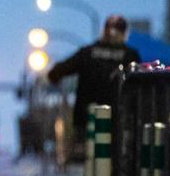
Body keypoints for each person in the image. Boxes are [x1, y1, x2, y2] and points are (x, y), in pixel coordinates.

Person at [47, 14, 142, 154]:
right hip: (119, 119)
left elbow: (56, 72)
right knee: (116, 159)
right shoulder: (130, 56)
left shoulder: (87, 53)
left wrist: (55, 80)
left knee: (91, 160)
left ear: (104, 31)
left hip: (86, 119)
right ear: (124, 34)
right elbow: (140, 84)